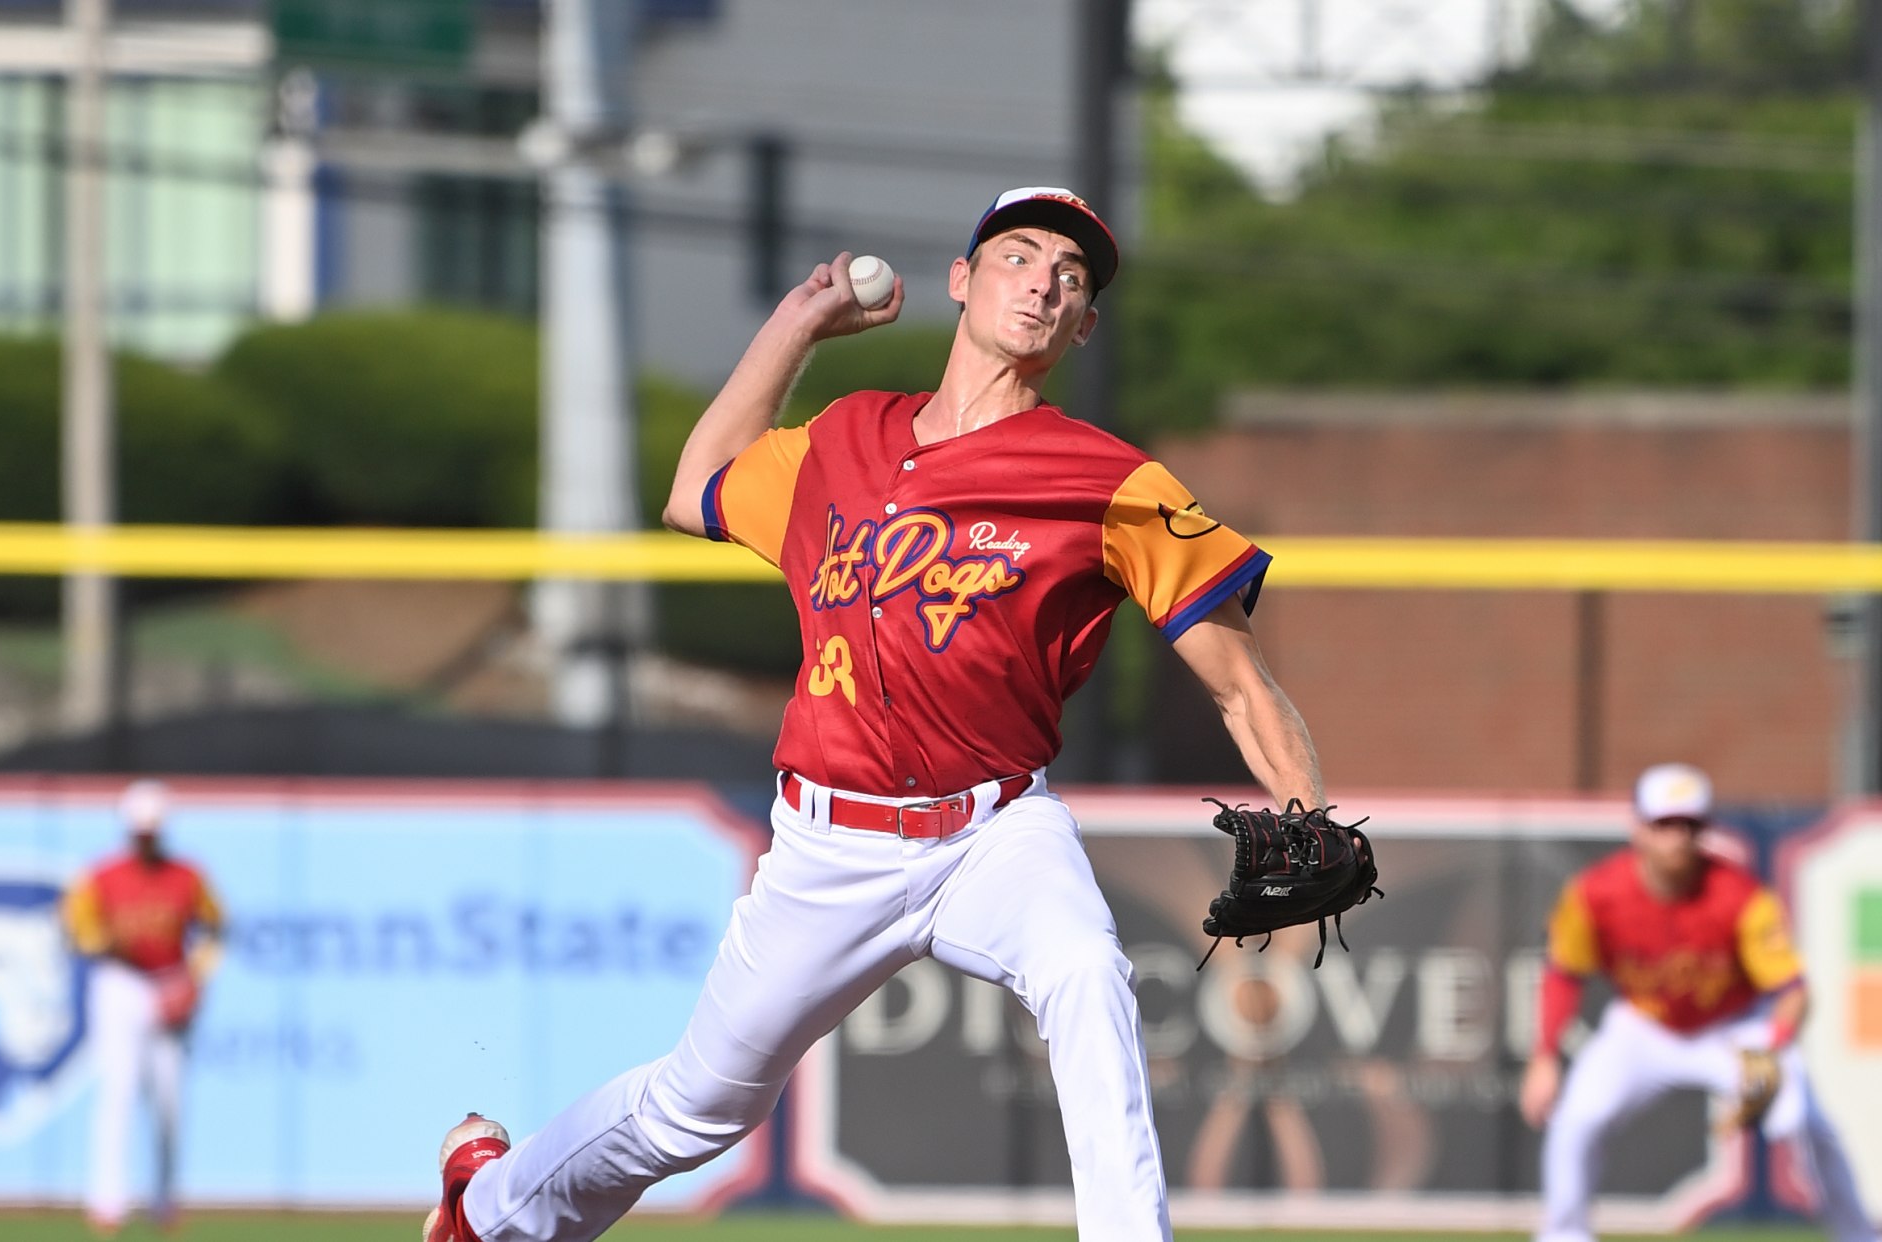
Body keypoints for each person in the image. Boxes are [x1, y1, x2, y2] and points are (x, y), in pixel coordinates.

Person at [423, 186, 1328, 1242]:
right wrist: (796, 324)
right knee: (695, 1109)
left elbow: (1239, 683)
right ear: (962, 280)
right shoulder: (845, 437)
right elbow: (693, 490)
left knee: (1087, 972)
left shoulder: (1116, 484)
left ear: (1084, 325)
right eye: (1019, 255)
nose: (1043, 282)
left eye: (1072, 277)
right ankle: (490, 1210)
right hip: (828, 844)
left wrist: (1309, 819)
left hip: (995, 830)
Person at [1518, 763, 1882, 1242]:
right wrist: (1545, 1056)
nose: (1677, 837)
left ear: (1705, 829)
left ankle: (1861, 1237)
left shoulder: (1740, 895)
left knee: (1804, 1119)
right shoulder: (1595, 893)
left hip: (1732, 1027)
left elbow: (1793, 991)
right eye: (1664, 824)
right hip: (1644, 1024)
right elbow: (1564, 973)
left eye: (1689, 825)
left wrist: (1772, 1044)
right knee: (1578, 1118)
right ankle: (1563, 1235)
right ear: (1638, 828)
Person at [61, 779, 225, 1237]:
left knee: (169, 1102)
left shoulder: (187, 876)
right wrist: (102, 941)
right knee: (117, 1091)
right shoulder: (102, 875)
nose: (145, 839)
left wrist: (195, 977)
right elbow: (76, 927)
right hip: (121, 984)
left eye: (151, 831)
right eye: (139, 832)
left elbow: (215, 928)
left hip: (169, 981)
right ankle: (107, 1201)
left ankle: (164, 1199)